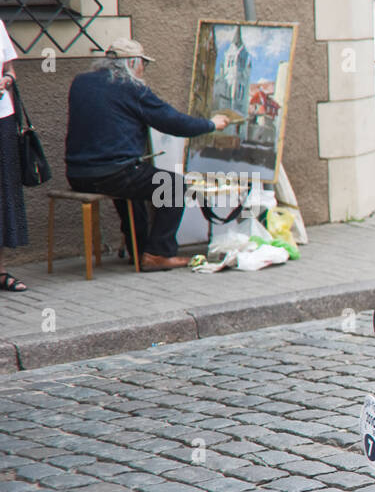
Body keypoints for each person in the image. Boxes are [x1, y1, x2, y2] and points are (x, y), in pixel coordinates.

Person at [65, 38, 229, 271]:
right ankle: (158, 253)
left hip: (78, 174)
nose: (143, 70)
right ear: (132, 63)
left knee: (133, 187)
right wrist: (211, 124)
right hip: (114, 173)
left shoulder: (81, 83)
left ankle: (139, 251)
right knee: (172, 186)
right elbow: (173, 122)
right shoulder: (131, 88)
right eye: (143, 64)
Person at [0, 19, 28, 291]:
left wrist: (5, 80)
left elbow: (11, 71)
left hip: (3, 119)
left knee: (4, 191)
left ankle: (0, 269)